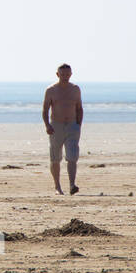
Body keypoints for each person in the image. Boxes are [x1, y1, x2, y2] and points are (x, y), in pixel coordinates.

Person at [42, 63, 83, 195]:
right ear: (57, 74)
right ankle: (57, 187)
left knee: (72, 157)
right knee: (55, 158)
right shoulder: (51, 90)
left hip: (72, 126)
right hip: (56, 126)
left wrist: (78, 126)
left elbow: (79, 108)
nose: (65, 76)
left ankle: (72, 185)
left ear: (71, 74)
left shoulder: (75, 89)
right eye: (62, 74)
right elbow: (45, 109)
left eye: (67, 74)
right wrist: (47, 125)